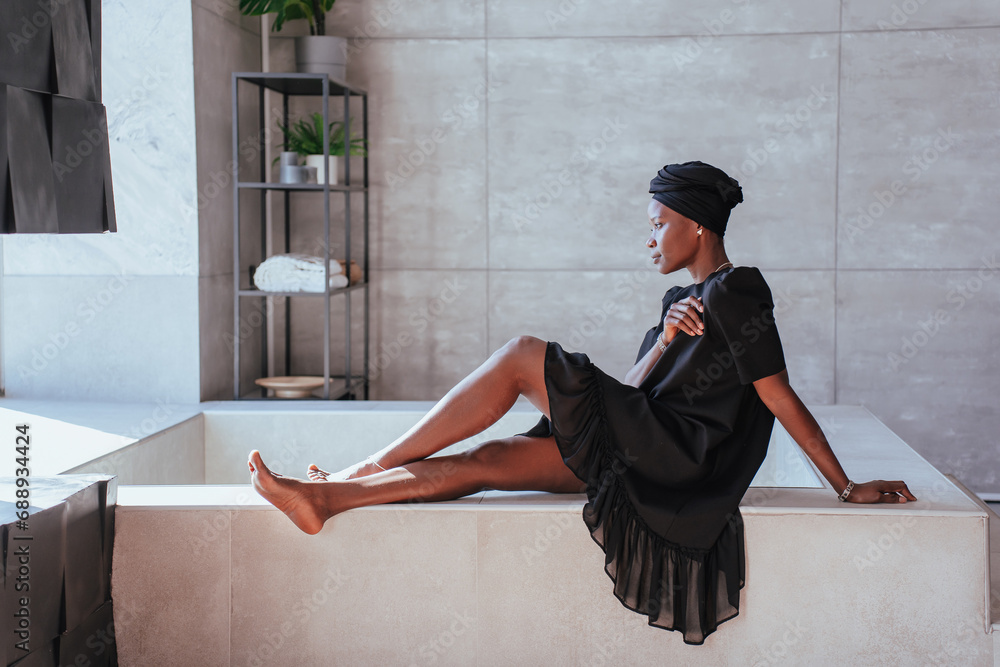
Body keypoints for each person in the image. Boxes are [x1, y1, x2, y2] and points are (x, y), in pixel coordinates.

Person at [248, 160, 917, 645]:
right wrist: (663, 341)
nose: (649, 238)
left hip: (674, 457)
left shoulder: (736, 291)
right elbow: (632, 388)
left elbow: (778, 395)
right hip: (640, 446)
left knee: (519, 353)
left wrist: (845, 484)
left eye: (658, 224)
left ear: (697, 226)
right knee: (489, 457)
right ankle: (325, 501)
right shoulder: (684, 301)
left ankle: (360, 469)